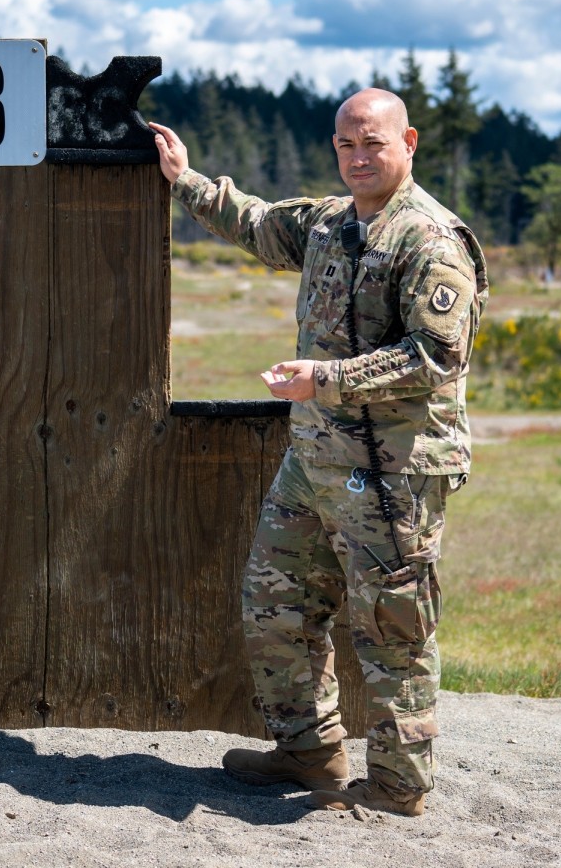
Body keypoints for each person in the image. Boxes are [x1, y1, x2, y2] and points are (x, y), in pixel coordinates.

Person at [149, 88, 488, 817]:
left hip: (394, 472)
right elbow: (261, 224)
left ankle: (400, 786)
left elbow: (438, 354)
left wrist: (326, 379)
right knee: (276, 606)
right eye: (346, 144)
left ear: (409, 142)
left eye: (373, 142)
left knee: (394, 629)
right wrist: (185, 180)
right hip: (316, 462)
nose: (359, 157)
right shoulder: (333, 222)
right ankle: (308, 748)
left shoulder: (431, 240)